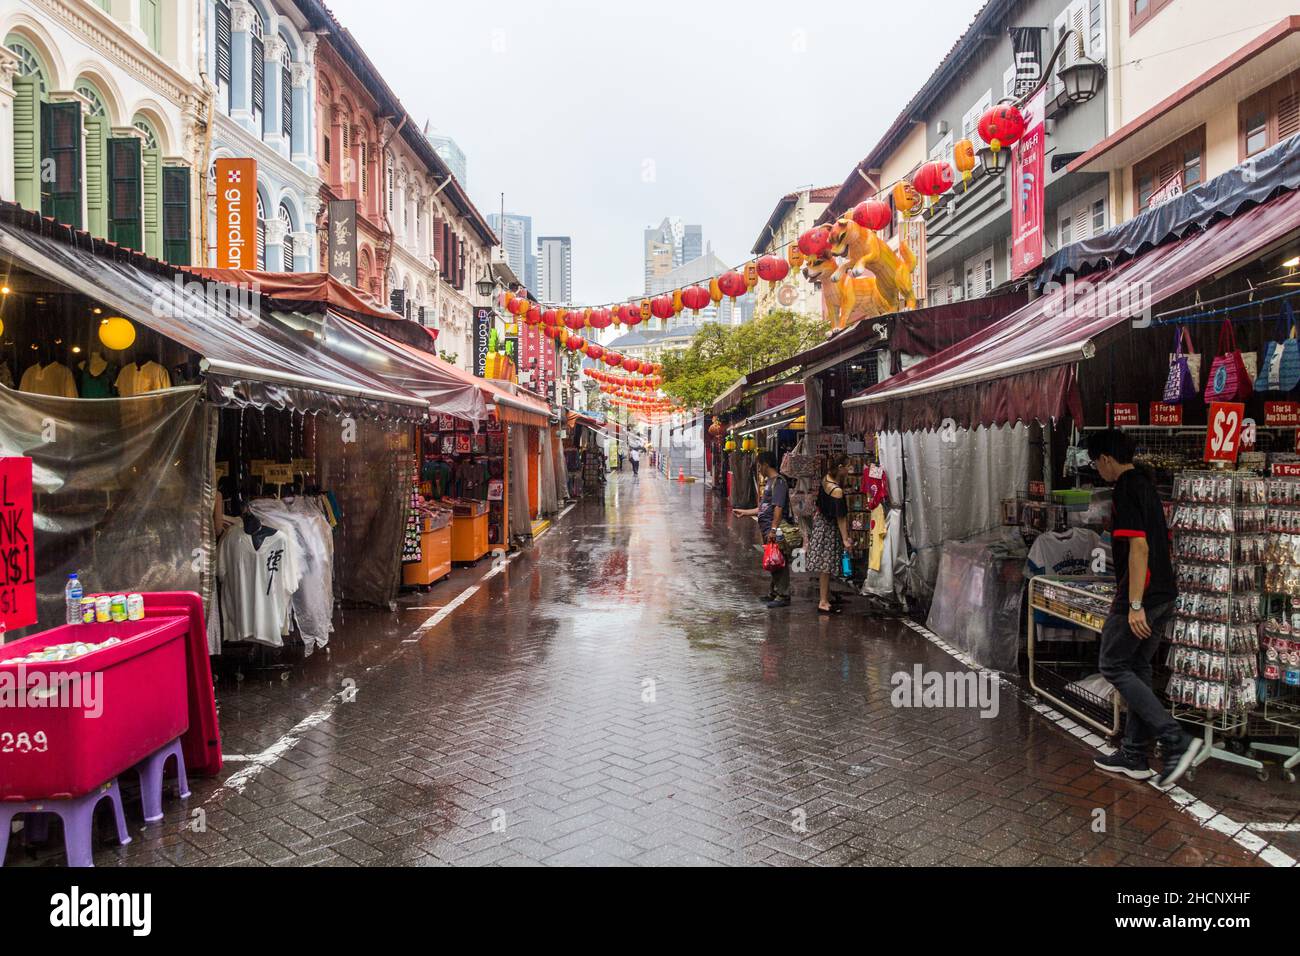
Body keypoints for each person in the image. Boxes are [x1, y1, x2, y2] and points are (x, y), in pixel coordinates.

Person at [1086, 429, 1200, 789]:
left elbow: (1139, 549)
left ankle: (1174, 739)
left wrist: (1134, 605)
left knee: (1112, 664)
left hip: (1143, 597)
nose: (1096, 469)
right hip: (1164, 594)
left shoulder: (1125, 488)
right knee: (1137, 666)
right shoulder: (1146, 483)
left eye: (1095, 462)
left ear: (1106, 459)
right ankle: (1134, 753)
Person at [734, 451, 790, 608]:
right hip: (767, 528)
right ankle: (774, 592)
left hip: (775, 529)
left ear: (766, 464)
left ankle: (783, 594)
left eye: (759, 466)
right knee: (773, 560)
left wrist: (774, 529)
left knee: (780, 560)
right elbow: (762, 508)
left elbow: (778, 508)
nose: (759, 469)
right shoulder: (769, 483)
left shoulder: (778, 482)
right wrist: (744, 512)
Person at [806, 454, 852, 614]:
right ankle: (823, 601)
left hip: (820, 523)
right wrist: (846, 539)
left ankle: (826, 595)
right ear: (840, 468)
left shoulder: (826, 480)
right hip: (828, 528)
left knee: (825, 565)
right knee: (826, 565)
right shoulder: (837, 491)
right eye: (848, 466)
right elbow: (841, 518)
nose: (850, 470)